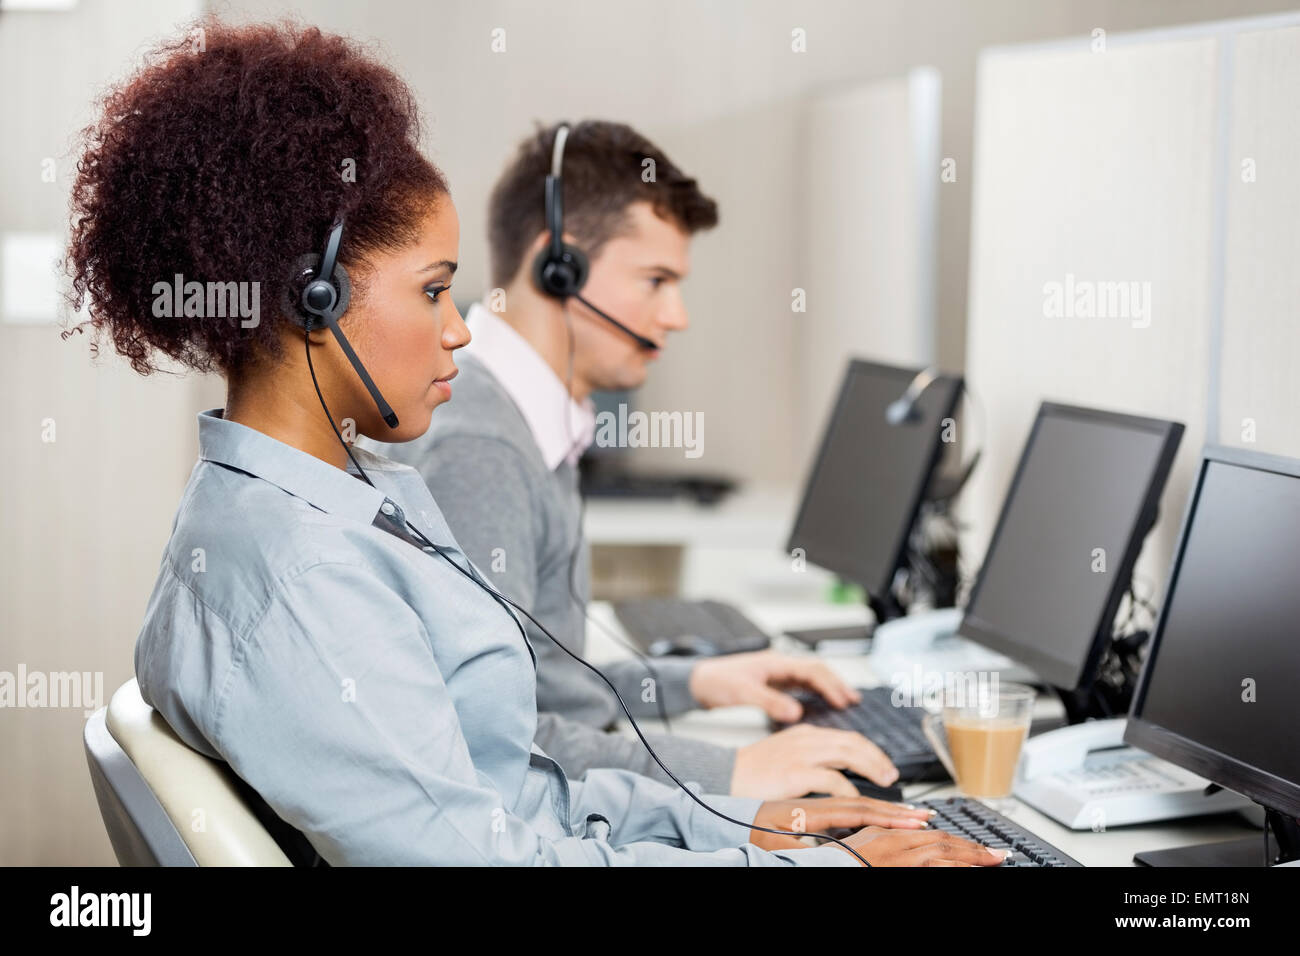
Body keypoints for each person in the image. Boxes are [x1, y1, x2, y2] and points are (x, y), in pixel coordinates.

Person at [65, 18, 1005, 867]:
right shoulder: (305, 577)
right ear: (319, 298)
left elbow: (512, 787)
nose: (463, 329)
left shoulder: (331, 500)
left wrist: (749, 825)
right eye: (435, 290)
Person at [363, 121, 903, 800]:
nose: (676, 315)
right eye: (656, 280)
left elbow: (545, 690)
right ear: (558, 266)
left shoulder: (522, 419)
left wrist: (697, 682)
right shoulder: (483, 450)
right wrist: (734, 773)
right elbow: (494, 743)